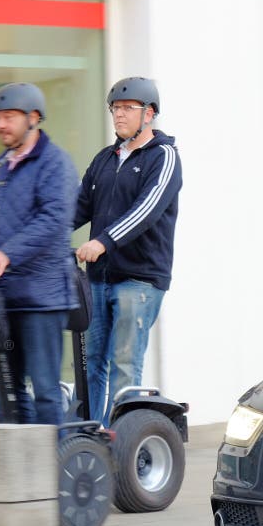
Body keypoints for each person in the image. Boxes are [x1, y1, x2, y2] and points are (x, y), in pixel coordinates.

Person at [74, 77, 183, 427]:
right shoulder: (105, 159)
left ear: (149, 114)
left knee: (124, 364)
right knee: (90, 363)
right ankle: (89, 435)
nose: (118, 115)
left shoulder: (164, 157)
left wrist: (102, 241)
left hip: (139, 280)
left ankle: (119, 441)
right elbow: (79, 207)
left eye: (127, 108)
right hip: (100, 278)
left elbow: (145, 210)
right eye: (115, 109)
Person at [0, 82, 79, 426]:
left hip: (41, 297)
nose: (0, 125)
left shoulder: (55, 163)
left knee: (46, 390)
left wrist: (6, 254)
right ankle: (18, 467)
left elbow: (54, 220)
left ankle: (54, 472)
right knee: (4, 388)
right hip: (3, 298)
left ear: (33, 118)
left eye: (8, 117)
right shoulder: (0, 166)